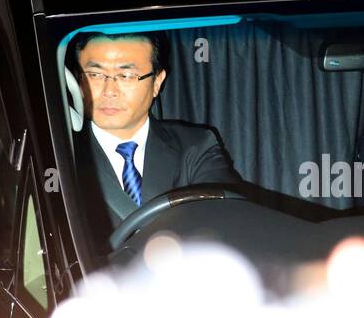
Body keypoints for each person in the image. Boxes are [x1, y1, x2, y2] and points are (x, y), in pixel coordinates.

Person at [73, 31, 239, 228]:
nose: (109, 91)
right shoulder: (61, 154)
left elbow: (227, 222)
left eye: (126, 75)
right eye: (95, 74)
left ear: (157, 82)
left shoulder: (196, 147)